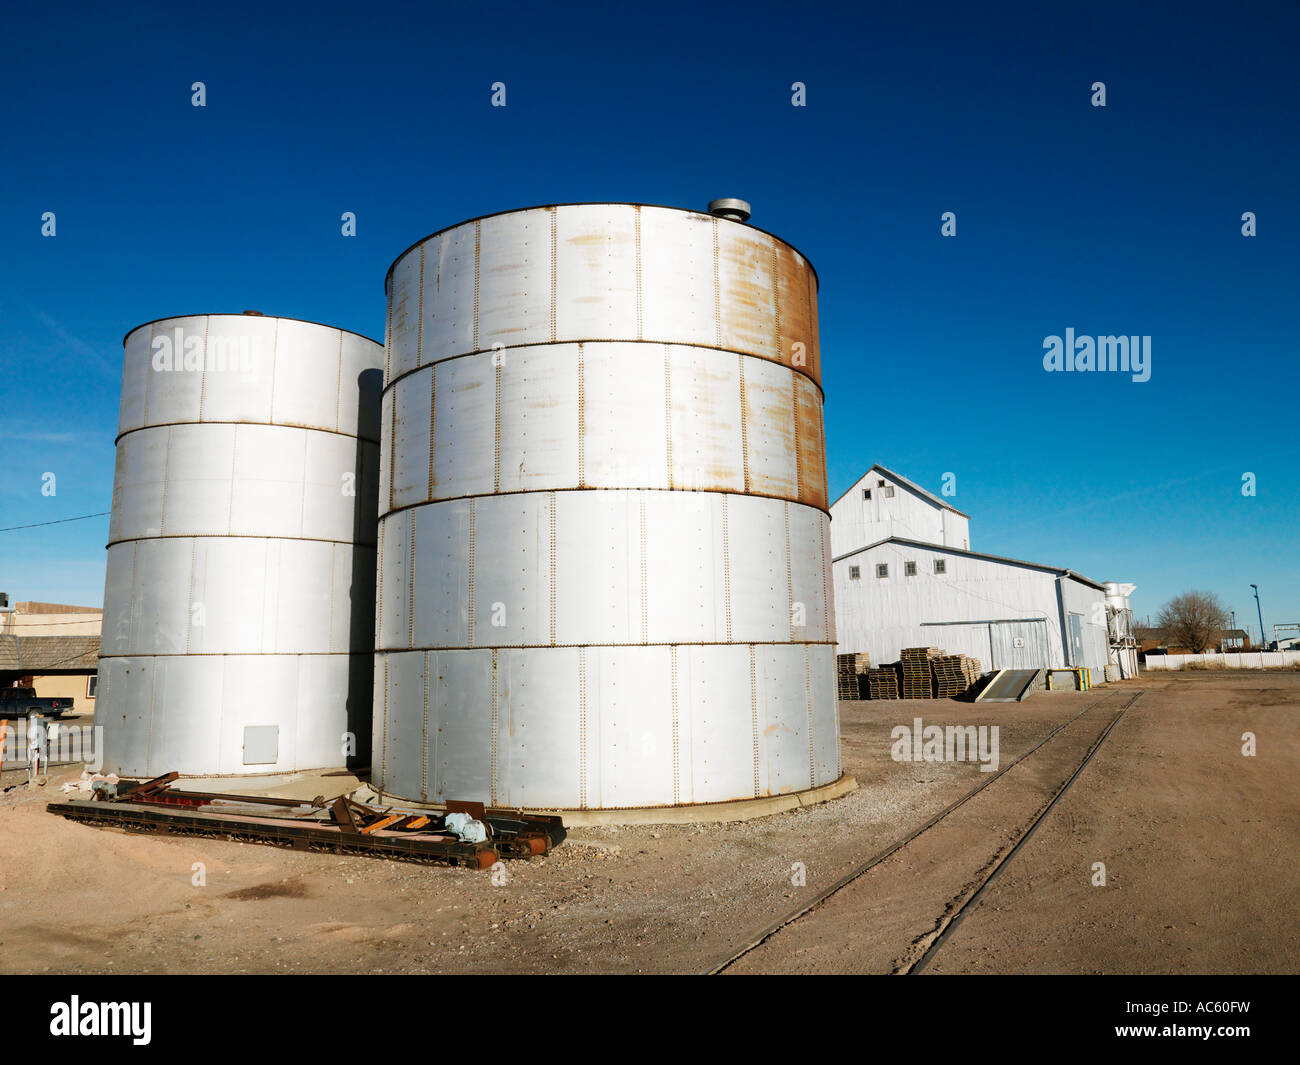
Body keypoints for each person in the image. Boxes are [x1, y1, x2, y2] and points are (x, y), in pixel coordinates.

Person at [27, 712, 48, 787]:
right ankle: (33, 777)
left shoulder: (35, 725)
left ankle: (34, 776)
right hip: (34, 747)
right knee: (33, 761)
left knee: (34, 761)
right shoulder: (34, 725)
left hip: (35, 746)